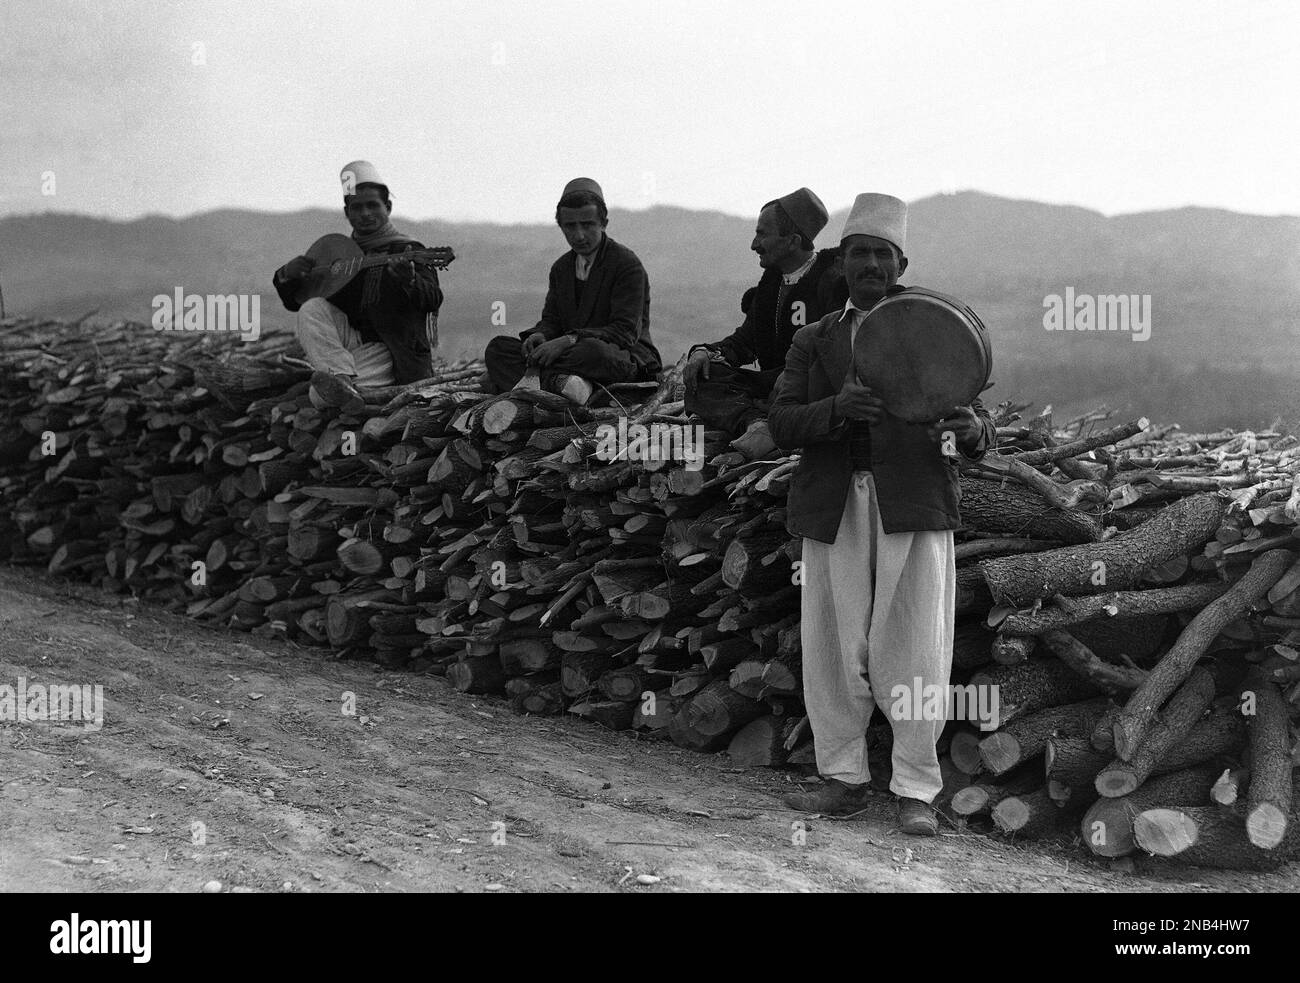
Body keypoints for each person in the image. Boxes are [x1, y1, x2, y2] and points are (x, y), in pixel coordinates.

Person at [768, 193, 996, 836]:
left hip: (914, 502)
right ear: (840, 262)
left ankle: (916, 790)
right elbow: (782, 424)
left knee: (916, 645)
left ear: (901, 263)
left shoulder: (935, 328)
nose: (870, 264)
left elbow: (971, 437)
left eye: (882, 254)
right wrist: (836, 409)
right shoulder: (815, 340)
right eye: (859, 253)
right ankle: (841, 778)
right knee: (835, 644)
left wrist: (969, 433)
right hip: (835, 502)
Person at [484, 177, 661, 405]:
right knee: (498, 349)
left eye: (587, 225)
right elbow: (552, 320)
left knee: (593, 352)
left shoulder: (626, 265)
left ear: (603, 223)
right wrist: (541, 336)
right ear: (561, 226)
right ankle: (566, 385)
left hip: (620, 357)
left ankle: (542, 383)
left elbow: (624, 333)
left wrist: (569, 340)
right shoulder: (561, 268)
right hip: (571, 357)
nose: (578, 235)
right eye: (570, 226)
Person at [685, 188, 846, 434]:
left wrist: (797, 374)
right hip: (773, 384)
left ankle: (769, 419)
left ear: (792, 241)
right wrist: (705, 353)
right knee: (706, 378)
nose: (754, 245)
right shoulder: (770, 286)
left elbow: (838, 354)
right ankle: (756, 423)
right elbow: (743, 343)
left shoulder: (831, 282)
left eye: (762, 235)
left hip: (811, 386)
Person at [273, 160, 443, 390]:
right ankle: (340, 375)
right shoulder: (338, 254)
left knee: (319, 396)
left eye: (373, 205)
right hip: (350, 347)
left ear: (388, 207)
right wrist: (286, 275)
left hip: (393, 351)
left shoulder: (408, 249)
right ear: (347, 212)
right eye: (357, 207)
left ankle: (341, 383)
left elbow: (433, 298)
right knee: (311, 307)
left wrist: (409, 281)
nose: (365, 213)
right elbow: (296, 303)